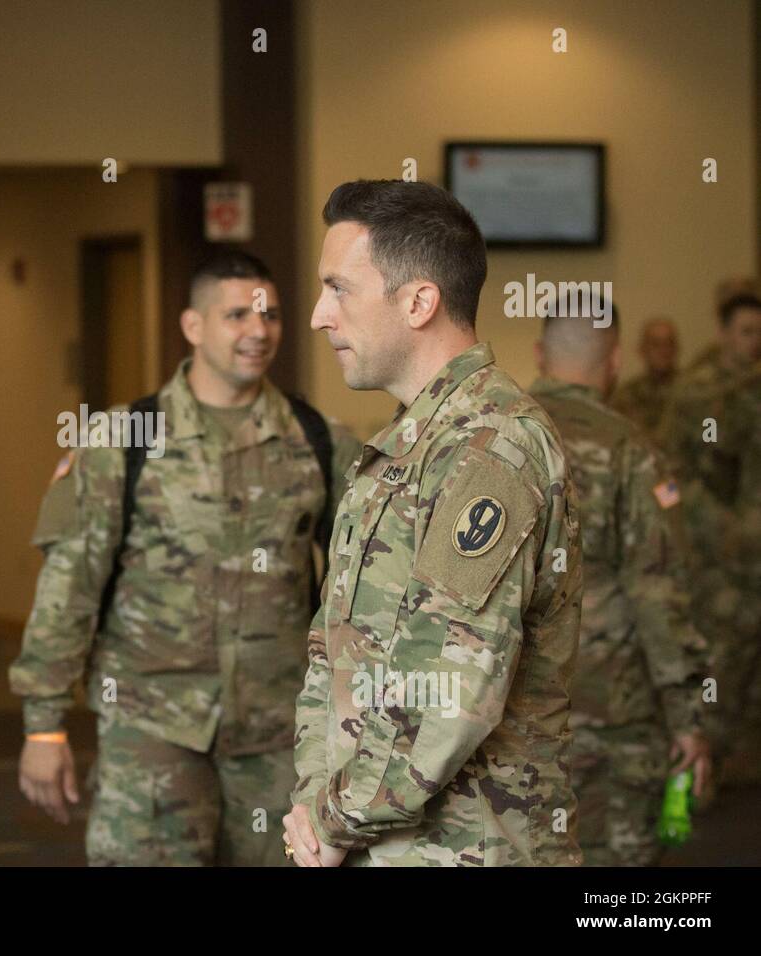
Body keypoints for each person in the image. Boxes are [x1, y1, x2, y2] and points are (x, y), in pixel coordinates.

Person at [10, 251, 361, 865]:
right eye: (236, 315)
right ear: (193, 326)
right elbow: (70, 587)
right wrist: (44, 724)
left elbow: (357, 585)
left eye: (271, 314)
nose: (258, 331)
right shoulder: (124, 439)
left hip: (278, 737)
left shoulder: (319, 439)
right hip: (152, 731)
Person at [283, 179, 583, 867]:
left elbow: (448, 687)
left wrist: (333, 820)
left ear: (419, 301)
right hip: (370, 841)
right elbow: (334, 653)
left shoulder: (493, 447)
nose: (318, 316)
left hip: (466, 849)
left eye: (338, 289)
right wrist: (313, 806)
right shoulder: (407, 444)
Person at [528, 305, 711, 865]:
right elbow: (658, 594)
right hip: (613, 717)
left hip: (510, 722)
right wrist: (690, 720)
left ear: (539, 356)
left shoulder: (491, 438)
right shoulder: (633, 452)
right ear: (615, 363)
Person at [660, 292, 761, 786]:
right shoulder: (699, 396)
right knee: (719, 671)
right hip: (720, 563)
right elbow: (670, 475)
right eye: (745, 332)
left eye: (760, 333)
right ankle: (705, 771)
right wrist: (723, 529)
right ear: (723, 335)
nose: (754, 343)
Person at [610, 317, 678, 441]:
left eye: (669, 343)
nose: (663, 351)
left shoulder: (693, 392)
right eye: (656, 344)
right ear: (642, 350)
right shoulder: (625, 397)